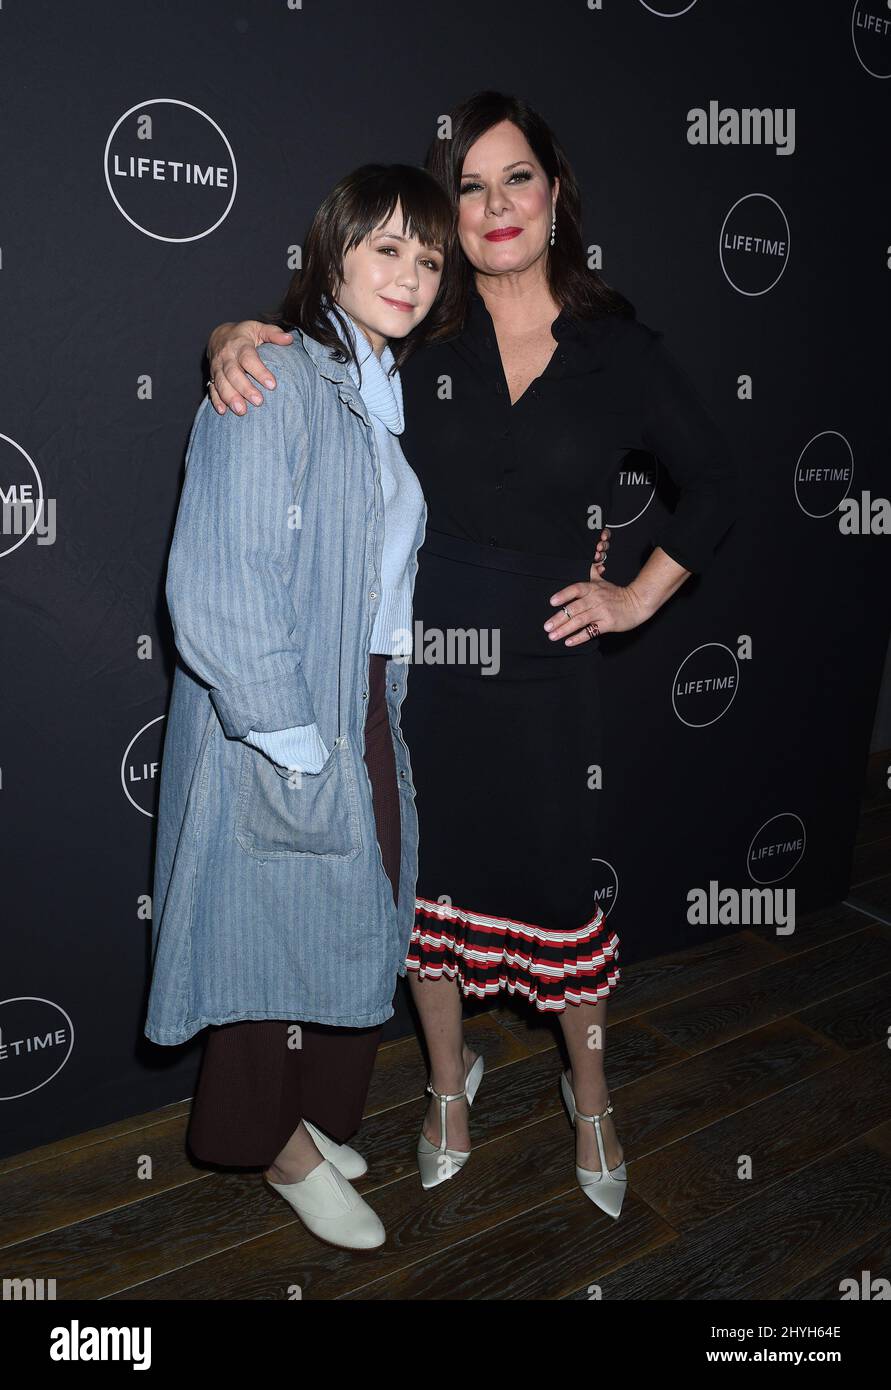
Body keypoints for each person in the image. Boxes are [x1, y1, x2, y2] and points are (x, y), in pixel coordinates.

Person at [205, 92, 739, 1222]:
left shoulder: (617, 348)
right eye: (472, 185)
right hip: (418, 676)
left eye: (519, 179)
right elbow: (310, 359)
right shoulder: (420, 336)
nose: (496, 205)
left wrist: (637, 596)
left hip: (549, 680)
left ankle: (590, 1097)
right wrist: (230, 338)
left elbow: (719, 484)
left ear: (556, 198)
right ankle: (448, 1087)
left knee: (560, 896)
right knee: (424, 900)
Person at [145, 162, 455, 1250]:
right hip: (280, 708)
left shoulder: (378, 397)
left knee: (352, 912)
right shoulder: (274, 379)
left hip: (362, 696)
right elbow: (216, 587)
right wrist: (292, 741)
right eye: (387, 248)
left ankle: (310, 1123)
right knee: (265, 929)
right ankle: (270, 1145)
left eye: (428, 257)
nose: (411, 274)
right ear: (333, 252)